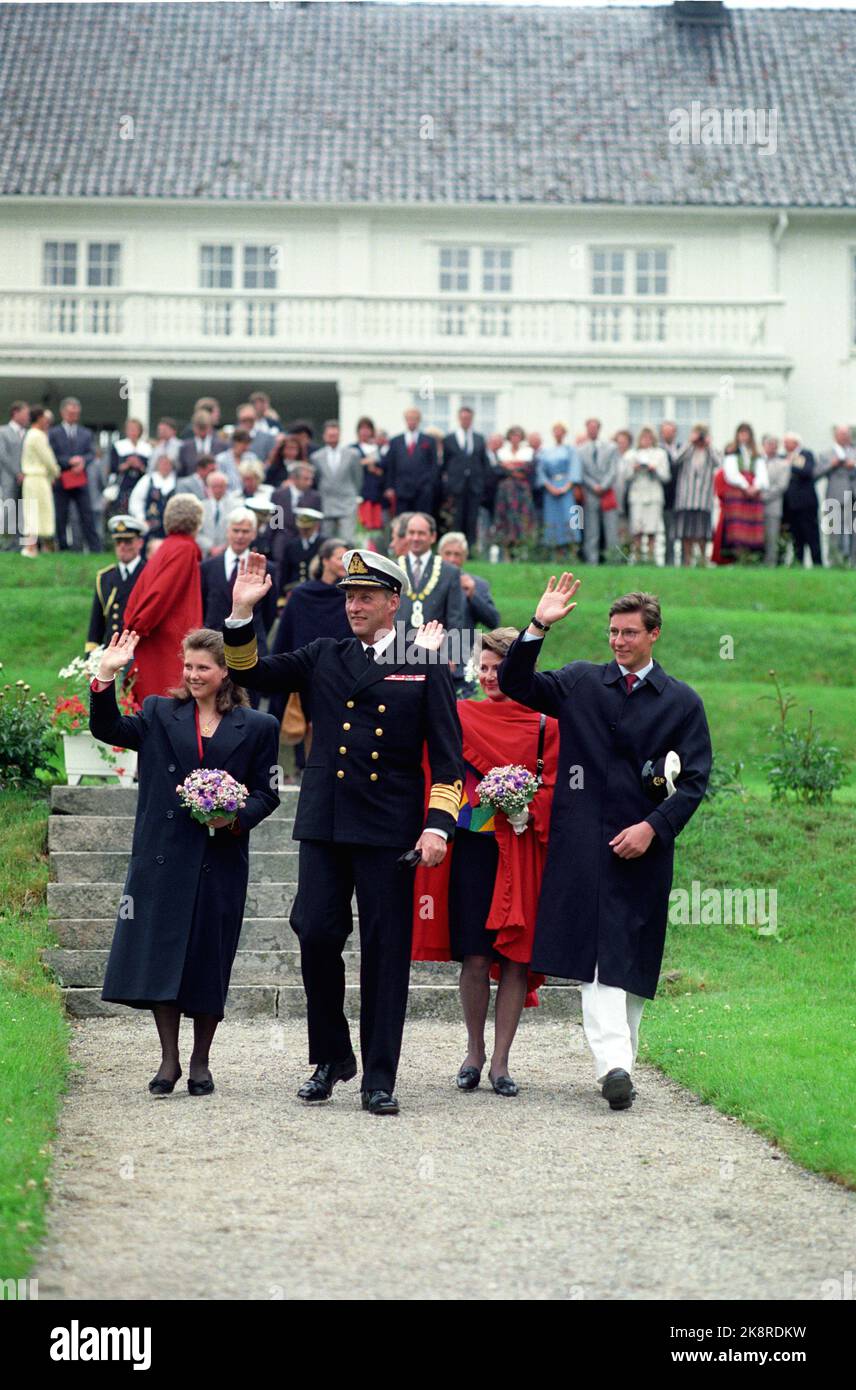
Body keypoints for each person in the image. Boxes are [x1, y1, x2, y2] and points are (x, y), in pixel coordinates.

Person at [222, 548, 463, 1116]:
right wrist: (240, 612)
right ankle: (332, 1056)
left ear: (392, 603)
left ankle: (379, 1075)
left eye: (366, 597)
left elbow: (450, 760)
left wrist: (438, 827)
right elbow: (250, 672)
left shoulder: (422, 663)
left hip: (389, 828)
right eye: (349, 596)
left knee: (385, 950)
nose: (354, 605)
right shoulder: (323, 654)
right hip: (327, 822)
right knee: (315, 930)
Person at [498, 582, 711, 1111]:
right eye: (613, 631)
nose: (618, 641)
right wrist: (538, 626)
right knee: (598, 960)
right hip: (582, 849)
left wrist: (653, 828)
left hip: (644, 851)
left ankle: (623, 1063)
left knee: (632, 960)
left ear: (653, 635)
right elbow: (515, 683)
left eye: (630, 633)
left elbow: (695, 781)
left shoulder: (682, 702)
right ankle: (614, 1065)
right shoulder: (580, 682)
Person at [89, 626, 279, 1095]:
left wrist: (232, 819)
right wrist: (104, 678)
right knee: (163, 957)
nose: (193, 675)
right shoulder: (158, 712)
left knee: (208, 959)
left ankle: (201, 1061)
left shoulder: (259, 727)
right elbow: (107, 728)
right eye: (188, 666)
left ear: (225, 671)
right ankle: (168, 1060)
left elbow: (268, 790)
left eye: (203, 668)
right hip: (164, 858)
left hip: (221, 858)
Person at [413, 627, 559, 1096]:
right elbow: (437, 769)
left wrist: (528, 809)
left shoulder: (546, 723)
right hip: (472, 846)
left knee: (516, 957)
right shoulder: (458, 714)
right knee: (475, 956)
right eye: (485, 667)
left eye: (501, 668)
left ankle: (501, 1062)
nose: (491, 676)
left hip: (521, 845)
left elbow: (557, 787)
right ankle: (473, 1052)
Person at [123, 494, 205, 700]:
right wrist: (138, 629)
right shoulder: (184, 549)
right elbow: (160, 594)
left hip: (156, 638)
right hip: (167, 643)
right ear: (197, 522)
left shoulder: (168, 547)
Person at [201, 507, 277, 660]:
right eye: (236, 530)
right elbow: (203, 604)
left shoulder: (266, 568)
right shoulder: (207, 567)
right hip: (213, 643)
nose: (240, 536)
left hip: (253, 644)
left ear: (254, 534)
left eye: (245, 531)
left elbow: (270, 611)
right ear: (227, 531)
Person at [397, 514, 466, 655]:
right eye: (411, 533)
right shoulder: (394, 568)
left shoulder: (449, 571)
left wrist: (451, 654)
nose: (415, 538)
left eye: (421, 533)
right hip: (397, 652)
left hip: (436, 653)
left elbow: (455, 618)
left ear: (433, 536)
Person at [86, 515, 147, 651]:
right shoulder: (105, 577)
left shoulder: (149, 574)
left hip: (138, 652)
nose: (122, 546)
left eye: (128, 541)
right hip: (111, 652)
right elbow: (96, 626)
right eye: (118, 541)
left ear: (140, 543)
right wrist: (89, 661)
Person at [48, 396, 101, 552]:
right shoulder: (54, 433)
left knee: (87, 514)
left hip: (80, 480)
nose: (73, 416)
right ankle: (63, 548)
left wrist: (82, 461)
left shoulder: (86, 433)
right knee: (61, 515)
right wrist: (69, 461)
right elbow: (51, 455)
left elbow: (92, 453)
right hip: (62, 480)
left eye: (76, 413)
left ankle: (94, 548)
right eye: (71, 412)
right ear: (63, 413)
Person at [441, 406, 490, 548]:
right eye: (463, 418)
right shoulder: (449, 439)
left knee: (472, 518)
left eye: (468, 418)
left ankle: (471, 548)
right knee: (457, 518)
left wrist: (482, 484)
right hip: (457, 486)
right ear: (459, 419)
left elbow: (483, 463)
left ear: (472, 419)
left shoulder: (479, 438)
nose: (466, 421)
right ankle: (456, 547)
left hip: (474, 485)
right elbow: (445, 463)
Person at [310, 420, 364, 543]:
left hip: (347, 502)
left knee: (348, 539)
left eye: (335, 435)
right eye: (330, 435)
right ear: (324, 436)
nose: (332, 437)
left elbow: (358, 478)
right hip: (326, 502)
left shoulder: (352, 454)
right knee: (326, 540)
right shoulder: (316, 457)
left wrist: (354, 496)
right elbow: (317, 480)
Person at [535, 422, 583, 560]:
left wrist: (566, 487)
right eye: (555, 430)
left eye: (560, 430)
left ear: (564, 433)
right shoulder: (546, 451)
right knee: (553, 519)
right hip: (551, 490)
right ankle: (556, 555)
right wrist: (550, 487)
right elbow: (541, 471)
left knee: (572, 518)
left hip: (567, 488)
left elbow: (575, 469)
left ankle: (573, 553)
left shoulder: (570, 450)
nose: (558, 433)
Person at [623, 426, 671, 564]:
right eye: (644, 437)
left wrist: (654, 469)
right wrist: (635, 469)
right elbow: (625, 476)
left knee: (652, 529)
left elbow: (666, 476)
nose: (646, 440)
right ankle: (637, 558)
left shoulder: (660, 454)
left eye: (649, 437)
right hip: (637, 494)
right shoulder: (631, 454)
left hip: (654, 495)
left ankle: (650, 559)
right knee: (637, 529)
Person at [383, 407, 440, 521]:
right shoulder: (395, 441)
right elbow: (391, 466)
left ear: (419, 420)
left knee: (422, 520)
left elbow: (434, 466)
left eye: (414, 419)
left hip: (423, 491)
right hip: (402, 490)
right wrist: (389, 487)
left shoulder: (429, 441)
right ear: (405, 420)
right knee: (403, 521)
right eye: (409, 419)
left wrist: (429, 486)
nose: (412, 421)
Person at [673, 425, 718, 567]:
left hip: (704, 499)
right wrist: (690, 442)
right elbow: (675, 459)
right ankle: (687, 561)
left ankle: (702, 560)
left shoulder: (710, 451)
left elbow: (719, 462)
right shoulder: (688, 449)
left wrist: (709, 445)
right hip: (686, 498)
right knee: (686, 532)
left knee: (703, 533)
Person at [578, 418, 619, 566]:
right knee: (591, 530)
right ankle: (592, 561)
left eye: (594, 427)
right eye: (589, 428)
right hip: (590, 494)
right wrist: (594, 486)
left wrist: (603, 486)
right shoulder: (580, 450)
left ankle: (613, 561)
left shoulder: (611, 447)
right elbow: (582, 473)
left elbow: (613, 470)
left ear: (599, 428)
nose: (592, 430)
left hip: (607, 494)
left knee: (611, 529)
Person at [492, 426, 537, 558]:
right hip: (506, 491)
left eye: (518, 435)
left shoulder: (528, 451)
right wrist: (515, 468)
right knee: (505, 519)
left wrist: (510, 467)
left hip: (521, 491)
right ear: (509, 437)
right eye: (512, 435)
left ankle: (521, 552)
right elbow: (499, 469)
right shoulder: (502, 451)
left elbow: (528, 469)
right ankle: (506, 553)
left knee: (522, 520)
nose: (515, 438)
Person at [20, 406, 60, 556]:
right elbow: (48, 459)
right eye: (45, 418)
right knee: (37, 513)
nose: (48, 422)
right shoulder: (37, 435)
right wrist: (56, 472)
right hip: (37, 478)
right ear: (40, 418)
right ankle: (32, 548)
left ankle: (40, 548)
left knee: (35, 512)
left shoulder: (32, 434)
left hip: (34, 479)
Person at [815, 425, 856, 566]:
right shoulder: (827, 454)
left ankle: (853, 563)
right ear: (835, 436)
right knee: (834, 531)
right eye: (842, 434)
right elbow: (815, 474)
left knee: (853, 531)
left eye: (847, 434)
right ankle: (835, 562)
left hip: (853, 497)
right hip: (835, 497)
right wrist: (832, 465)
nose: (845, 436)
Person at [781, 432, 821, 567]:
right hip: (790, 505)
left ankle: (817, 564)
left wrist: (790, 463)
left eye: (787, 442)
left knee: (811, 535)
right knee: (796, 537)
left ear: (796, 443)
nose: (785, 445)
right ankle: (798, 563)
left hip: (806, 504)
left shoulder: (806, 454)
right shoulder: (782, 457)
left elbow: (807, 471)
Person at [105, 419, 152, 517]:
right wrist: (128, 464)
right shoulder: (119, 446)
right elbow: (112, 468)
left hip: (140, 483)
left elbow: (150, 470)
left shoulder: (147, 448)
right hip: (123, 485)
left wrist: (139, 466)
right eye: (130, 429)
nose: (133, 431)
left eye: (135, 429)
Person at [758, 434, 791, 567]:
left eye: (774, 445)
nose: (772, 448)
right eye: (769, 445)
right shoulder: (757, 461)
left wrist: (763, 496)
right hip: (754, 506)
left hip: (773, 506)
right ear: (763, 446)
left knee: (771, 538)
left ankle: (770, 565)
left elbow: (781, 486)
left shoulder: (783, 464)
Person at [128, 451, 178, 537]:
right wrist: (141, 518)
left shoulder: (177, 482)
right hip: (150, 526)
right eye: (163, 463)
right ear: (157, 465)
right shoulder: (148, 480)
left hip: (171, 526)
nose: (165, 466)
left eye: (168, 464)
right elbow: (136, 500)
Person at [0, 400, 29, 551]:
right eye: (25, 414)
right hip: (9, 479)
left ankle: (21, 546)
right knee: (9, 510)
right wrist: (17, 472)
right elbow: (3, 455)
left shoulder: (29, 433)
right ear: (15, 413)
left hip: (26, 479)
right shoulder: (3, 431)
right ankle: (6, 546)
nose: (27, 417)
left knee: (24, 512)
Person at [177, 408, 228, 477]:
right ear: (194, 427)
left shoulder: (222, 445)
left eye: (204, 427)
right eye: (199, 428)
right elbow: (181, 472)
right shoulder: (185, 447)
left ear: (210, 427)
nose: (202, 431)